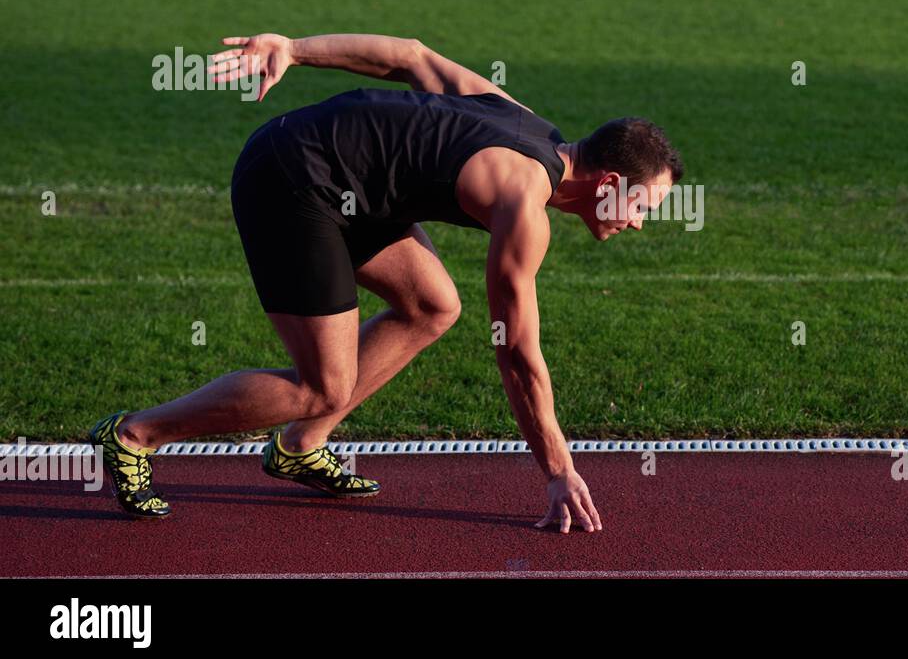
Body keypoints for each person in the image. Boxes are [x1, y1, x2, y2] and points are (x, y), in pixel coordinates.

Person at [89, 33, 683, 533]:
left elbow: (411, 56)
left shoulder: (528, 125)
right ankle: (136, 434)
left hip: (349, 185)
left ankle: (299, 447)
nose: (641, 220)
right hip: (294, 180)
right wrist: (558, 470)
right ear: (607, 182)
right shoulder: (523, 203)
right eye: (642, 205)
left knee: (431, 305)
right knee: (323, 385)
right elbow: (517, 352)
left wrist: (293, 49)